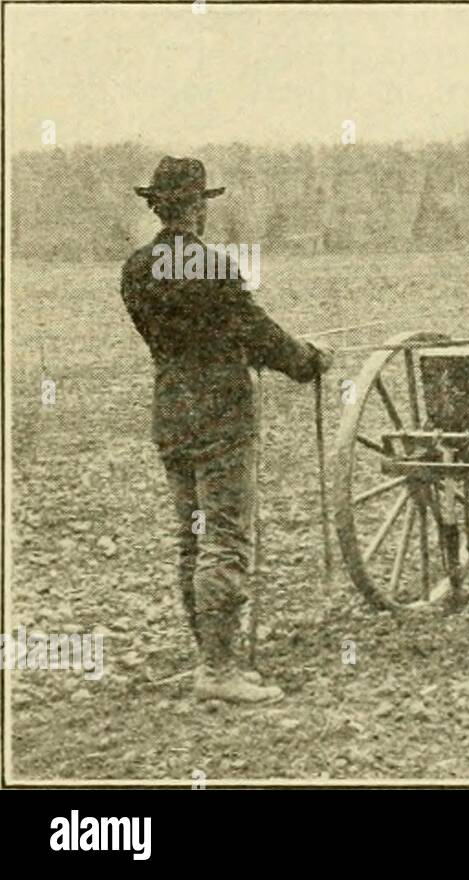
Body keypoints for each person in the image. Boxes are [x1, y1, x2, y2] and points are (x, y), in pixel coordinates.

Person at [120, 156, 331, 704]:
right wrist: (307, 360)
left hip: (172, 416)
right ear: (195, 207)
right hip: (220, 419)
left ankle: (211, 659)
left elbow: (187, 337)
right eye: (202, 206)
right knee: (227, 541)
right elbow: (256, 333)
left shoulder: (136, 269)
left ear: (158, 206)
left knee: (191, 539)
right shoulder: (211, 266)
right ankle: (218, 670)